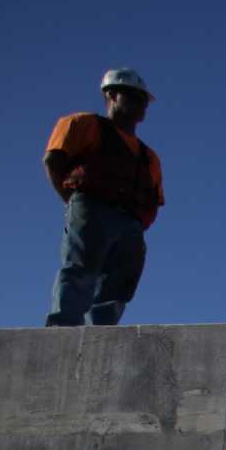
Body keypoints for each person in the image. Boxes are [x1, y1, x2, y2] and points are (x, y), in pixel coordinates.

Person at [44, 69, 163, 326]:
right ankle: (62, 331)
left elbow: (154, 199)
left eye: (143, 100)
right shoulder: (84, 125)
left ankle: (101, 334)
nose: (140, 105)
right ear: (111, 95)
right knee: (80, 272)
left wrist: (136, 225)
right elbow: (54, 160)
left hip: (129, 223)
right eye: (132, 96)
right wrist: (73, 202)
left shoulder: (148, 157)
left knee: (118, 285)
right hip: (91, 206)